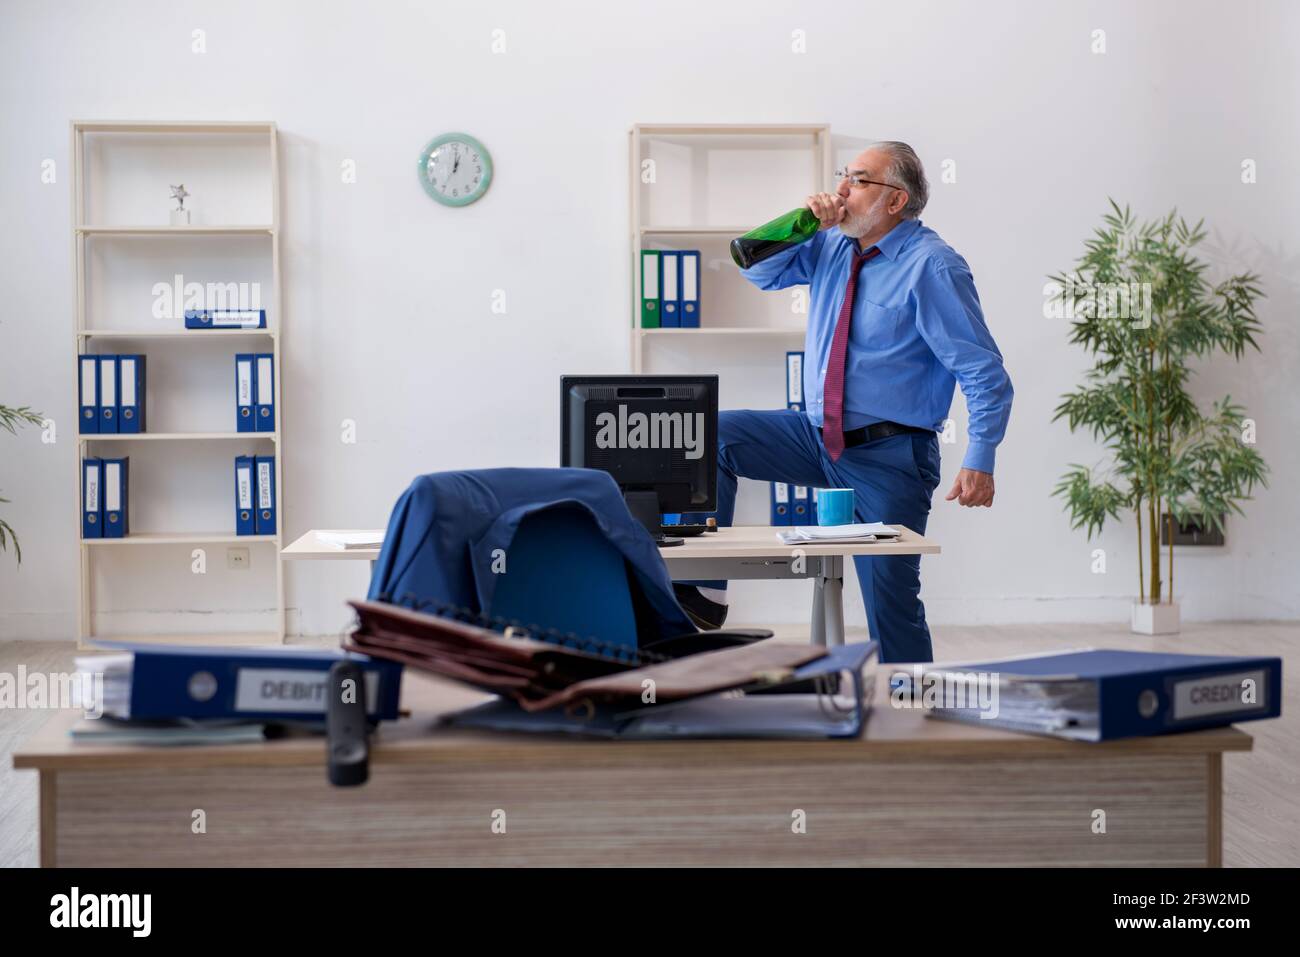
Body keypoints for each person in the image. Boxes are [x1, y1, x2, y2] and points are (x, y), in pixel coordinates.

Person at [674, 141, 1013, 663]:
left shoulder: (933, 266)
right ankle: (707, 590)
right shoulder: (832, 244)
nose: (840, 190)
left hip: (890, 455)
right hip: (814, 437)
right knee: (710, 434)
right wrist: (802, 222)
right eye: (841, 177)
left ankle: (910, 709)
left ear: (895, 200)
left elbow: (982, 371)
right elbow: (753, 265)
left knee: (889, 602)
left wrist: (979, 458)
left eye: (856, 180)